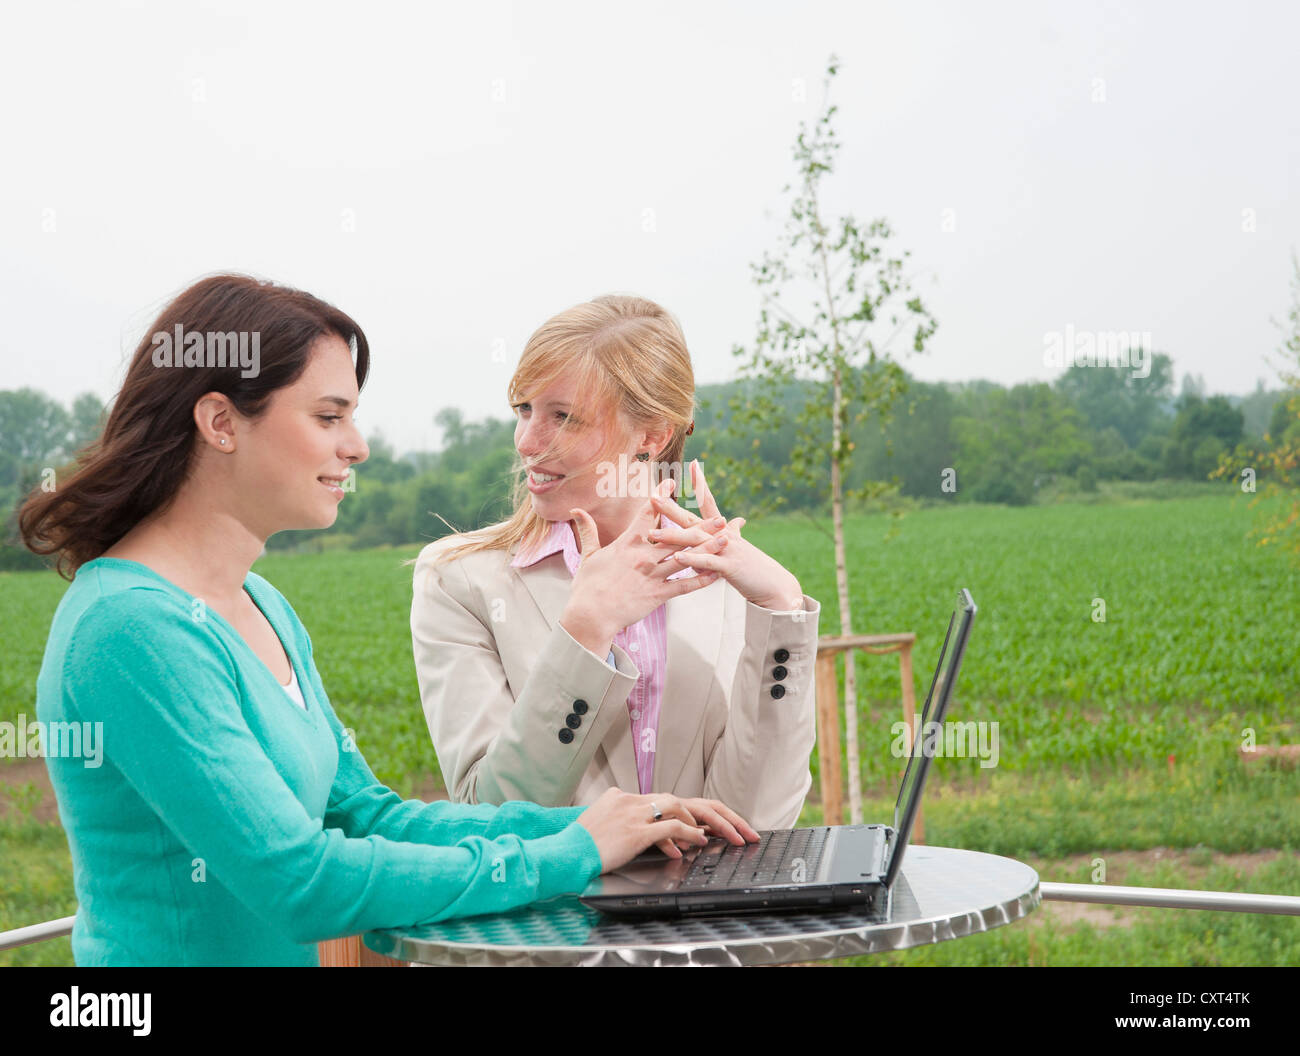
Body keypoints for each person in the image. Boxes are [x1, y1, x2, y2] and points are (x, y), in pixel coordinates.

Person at [19, 274, 755, 967]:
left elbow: (368, 816)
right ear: (220, 423)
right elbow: (303, 882)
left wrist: (614, 822)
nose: (357, 446)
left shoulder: (262, 607)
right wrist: (573, 854)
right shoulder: (129, 631)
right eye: (328, 416)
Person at [411, 294, 820, 830]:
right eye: (524, 410)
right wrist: (585, 630)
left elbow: (757, 822)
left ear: (652, 434)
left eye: (564, 417)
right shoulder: (459, 582)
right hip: (559, 912)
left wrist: (783, 612)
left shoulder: (727, 584)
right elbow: (488, 816)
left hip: (709, 911)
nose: (528, 442)